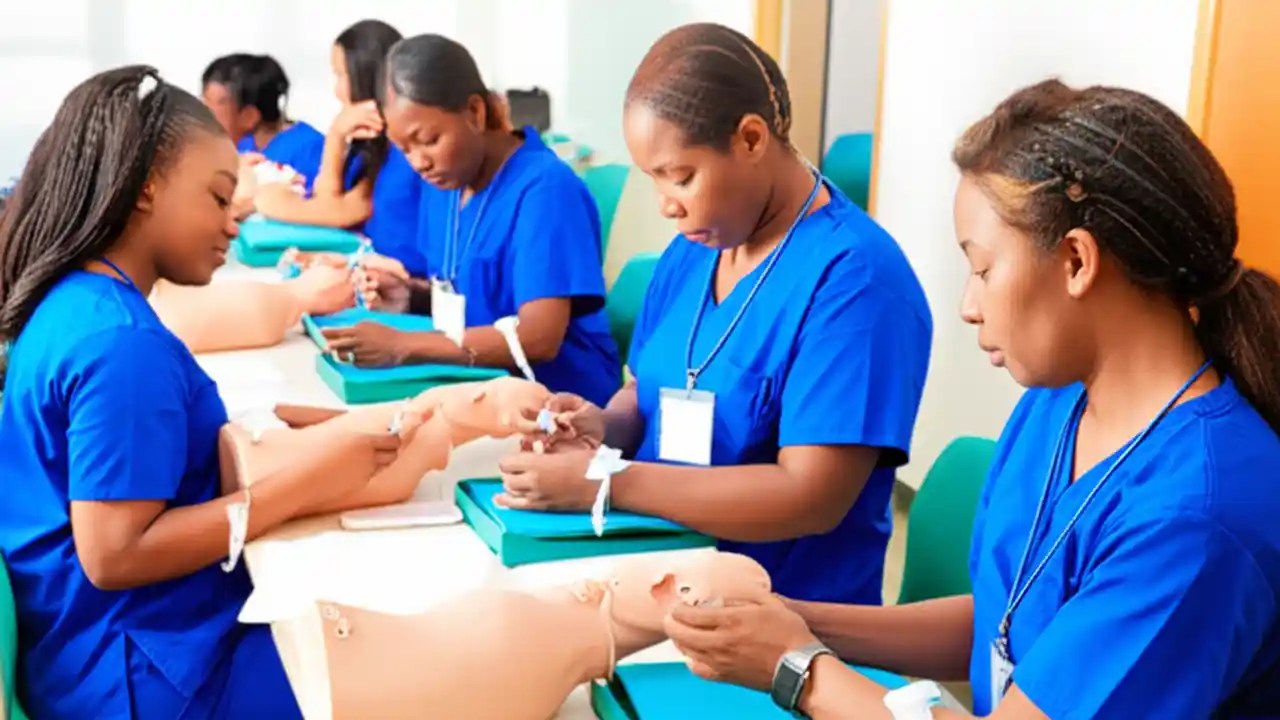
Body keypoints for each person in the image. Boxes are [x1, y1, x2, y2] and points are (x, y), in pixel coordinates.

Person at [657, 80, 1280, 719]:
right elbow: (1004, 625)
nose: (968, 307)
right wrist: (794, 621)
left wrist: (797, 669)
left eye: (982, 270)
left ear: (1074, 261)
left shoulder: (1195, 518)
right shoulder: (1060, 402)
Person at [0, 65, 402, 719]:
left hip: (98, 645)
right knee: (410, 662)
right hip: (139, 673)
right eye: (218, 199)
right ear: (148, 185)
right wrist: (305, 485)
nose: (233, 222)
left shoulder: (85, 300)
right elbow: (115, 553)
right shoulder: (120, 340)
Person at [494, 23, 933, 607]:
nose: (666, 205)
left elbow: (811, 497)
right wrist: (603, 425)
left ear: (751, 139)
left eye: (680, 177)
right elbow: (643, 390)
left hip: (773, 620)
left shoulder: (855, 283)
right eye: (653, 180)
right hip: (653, 571)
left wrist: (609, 480)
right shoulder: (695, 249)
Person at [327, 34, 622, 407]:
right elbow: (466, 292)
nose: (419, 162)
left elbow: (539, 338)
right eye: (405, 149)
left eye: (429, 139)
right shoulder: (446, 184)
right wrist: (412, 298)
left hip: (559, 401)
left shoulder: (544, 189)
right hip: (476, 386)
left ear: (475, 113)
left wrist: (405, 346)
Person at [250, 20, 428, 276]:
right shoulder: (369, 145)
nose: (336, 89)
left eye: (340, 75)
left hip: (405, 283)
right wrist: (338, 136)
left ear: (364, 76)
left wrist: (335, 134)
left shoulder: (400, 150)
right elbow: (328, 200)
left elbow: (338, 211)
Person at [200, 53, 325, 192]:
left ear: (249, 117)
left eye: (210, 109)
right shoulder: (243, 144)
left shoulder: (309, 151)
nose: (201, 116)